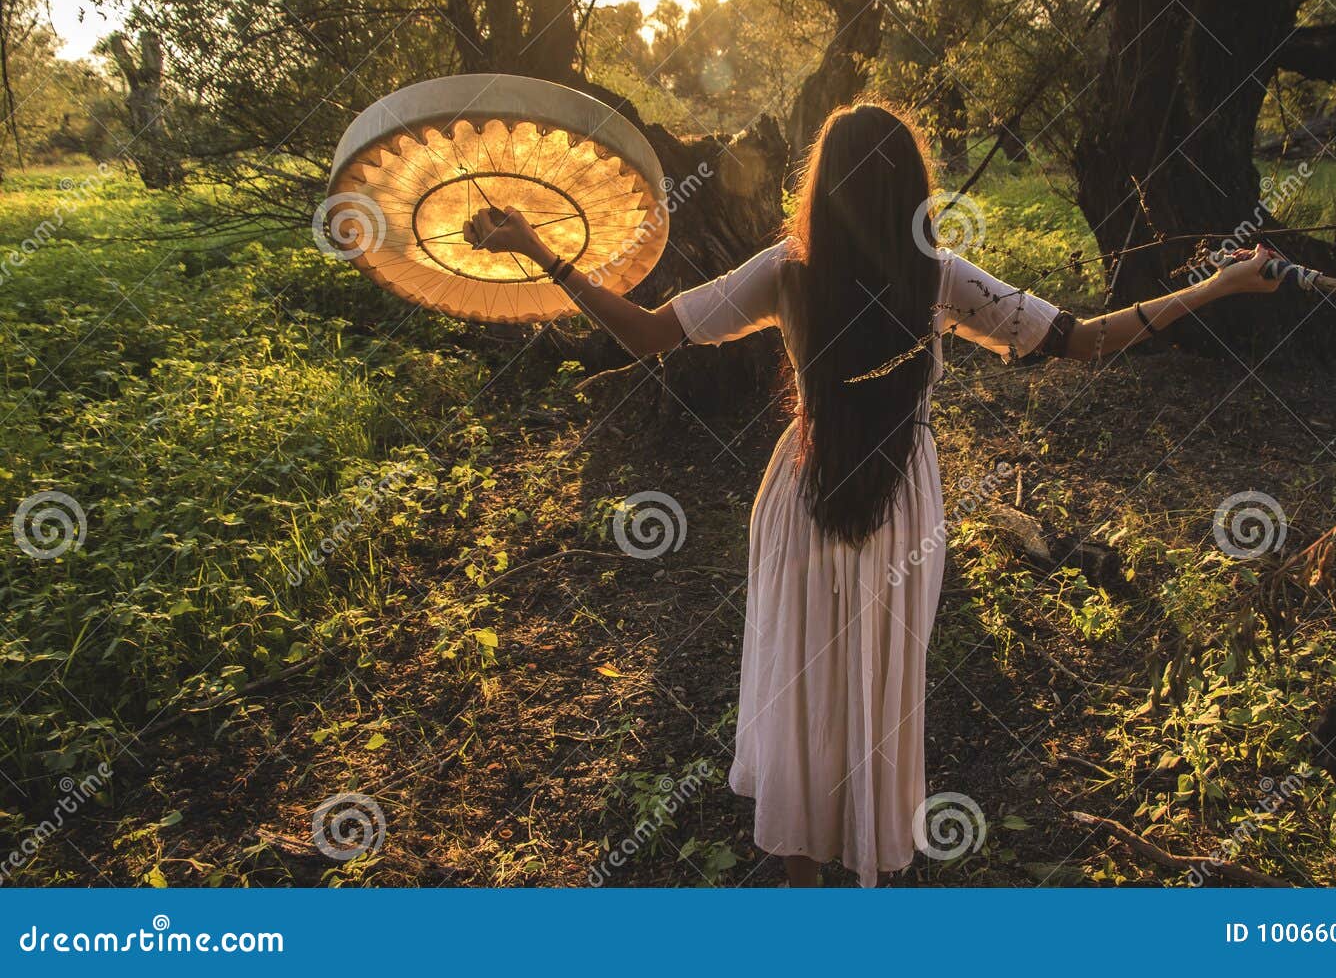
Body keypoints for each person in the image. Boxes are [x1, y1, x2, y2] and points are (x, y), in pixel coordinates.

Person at [464, 102, 1282, 887]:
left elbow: (646, 332)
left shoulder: (788, 272)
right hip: (899, 508)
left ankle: (805, 886)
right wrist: (1216, 288)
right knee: (875, 681)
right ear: (912, 191)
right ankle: (865, 866)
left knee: (802, 684)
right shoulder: (938, 276)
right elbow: (1087, 339)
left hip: (805, 493)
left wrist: (542, 249)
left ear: (821, 189)